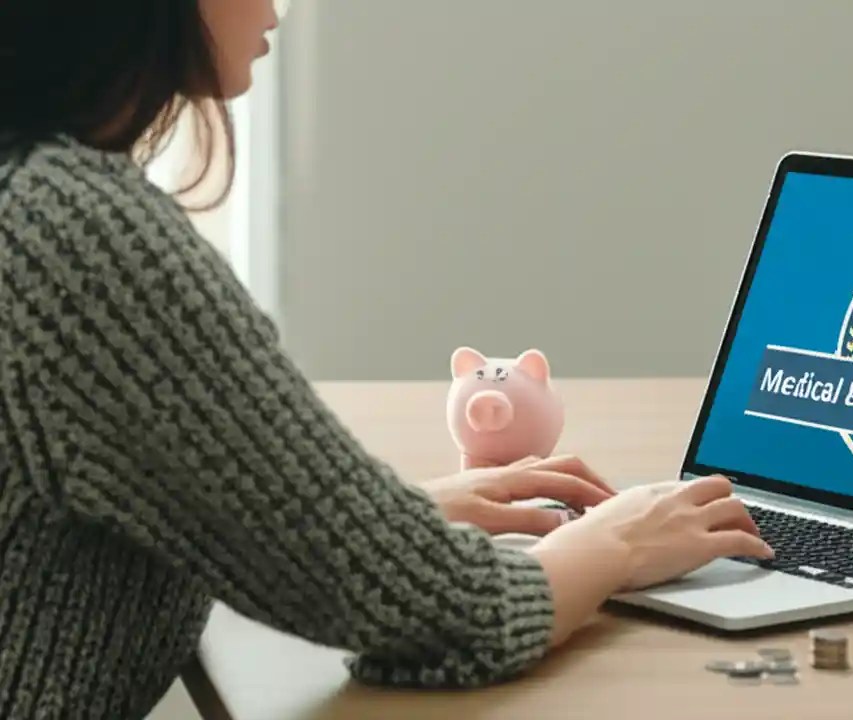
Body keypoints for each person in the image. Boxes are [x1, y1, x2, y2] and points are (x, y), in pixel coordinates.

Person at [0, 2, 774, 718]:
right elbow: (456, 614)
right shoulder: (71, 233)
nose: (277, 6)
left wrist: (369, 527)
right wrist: (621, 538)